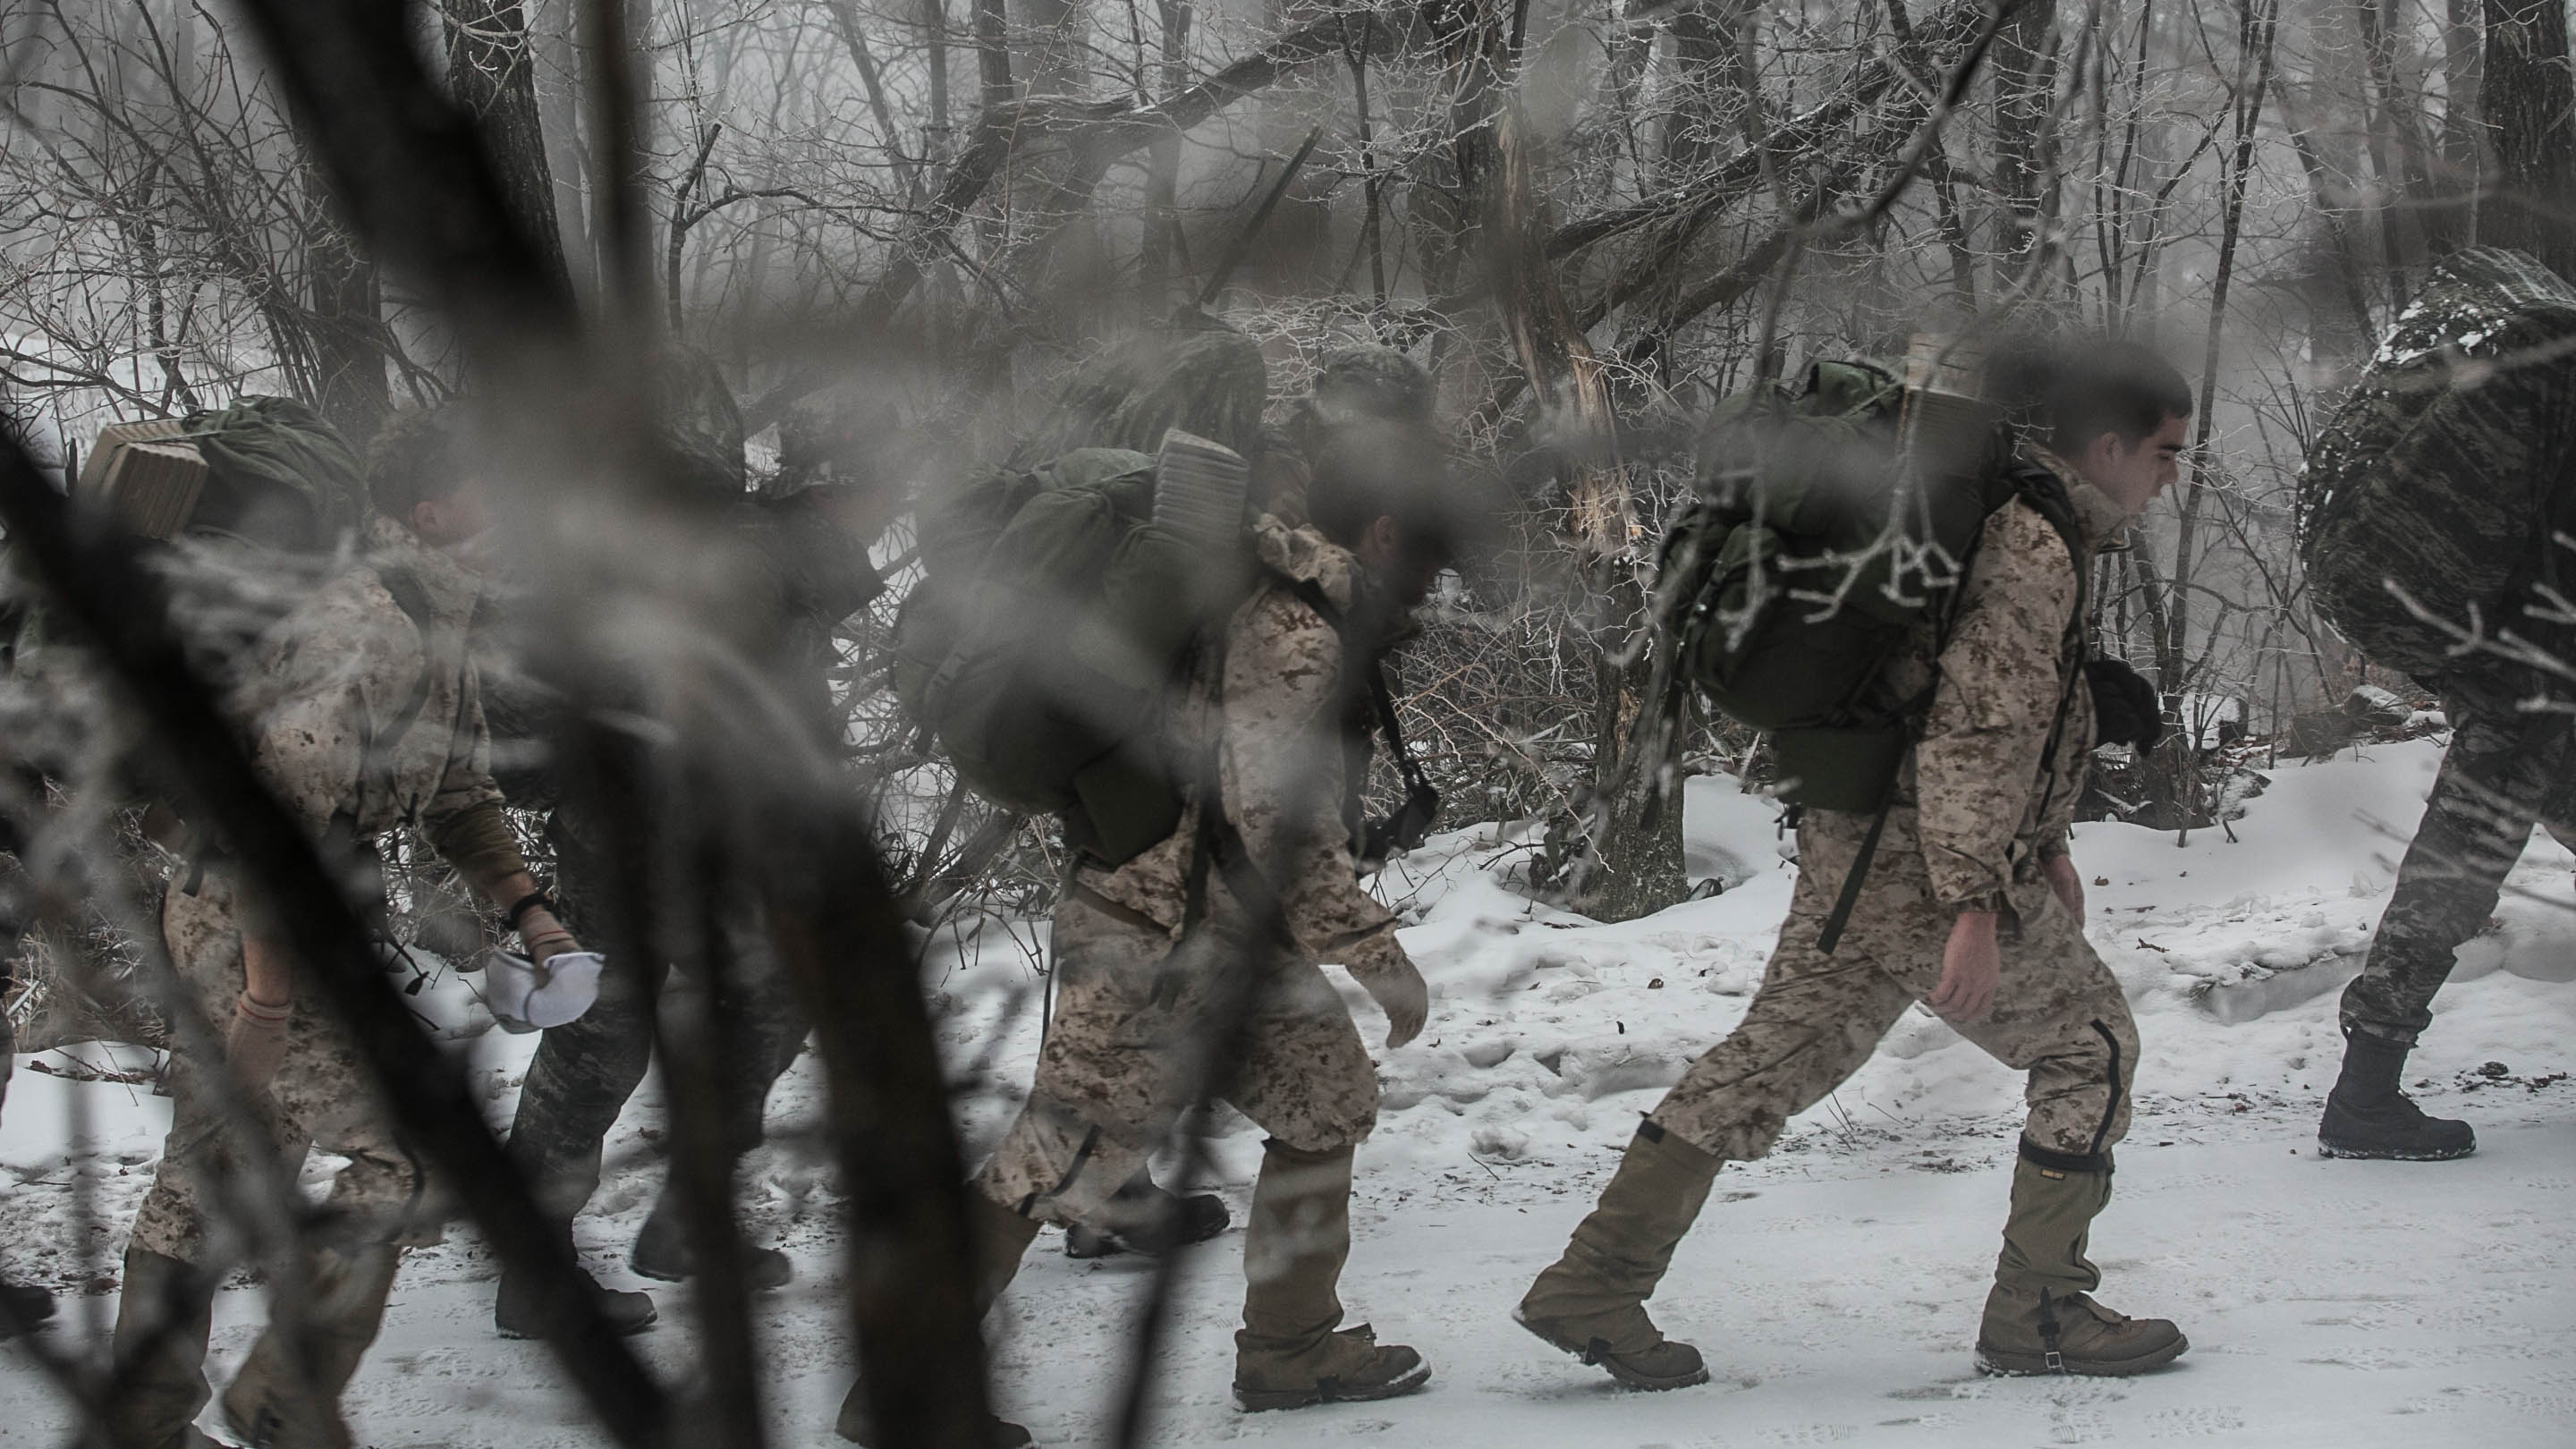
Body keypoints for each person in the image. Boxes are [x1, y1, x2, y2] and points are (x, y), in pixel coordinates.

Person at [1514, 339, 2195, 1386]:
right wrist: (1975, 898)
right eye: (2163, 453)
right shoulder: (2032, 543)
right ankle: (2044, 1312)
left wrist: (2048, 840)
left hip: (1861, 841)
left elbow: (1989, 701)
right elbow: (1979, 729)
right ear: (2107, 447)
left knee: (1769, 1063)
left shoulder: (2013, 521)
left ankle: (1592, 1286)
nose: (2169, 477)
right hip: (1922, 859)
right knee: (2091, 1049)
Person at [837, 352, 1450, 1445]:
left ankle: (1292, 1350)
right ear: (1389, 533)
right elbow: (1277, 818)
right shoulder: (1293, 626)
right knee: (1064, 1155)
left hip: (1219, 923)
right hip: (1157, 929)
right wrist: (1376, 951)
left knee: (1325, 1102)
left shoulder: (1287, 592)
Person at [107, 405, 585, 1449]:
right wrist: (266, 1004)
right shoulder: (361, 626)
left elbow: (457, 794)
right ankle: (277, 1405)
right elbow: (268, 830)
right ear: (427, 510)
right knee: (409, 1159)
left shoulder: (442, 622)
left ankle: (141, 1421)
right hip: (247, 918)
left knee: (217, 1166)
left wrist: (531, 911)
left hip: (296, 913)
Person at [486, 376, 893, 1335]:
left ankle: (654, 1235)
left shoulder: (595, 544)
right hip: (681, 839)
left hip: (635, 837)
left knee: (640, 1035)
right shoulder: (714, 551)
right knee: (629, 1040)